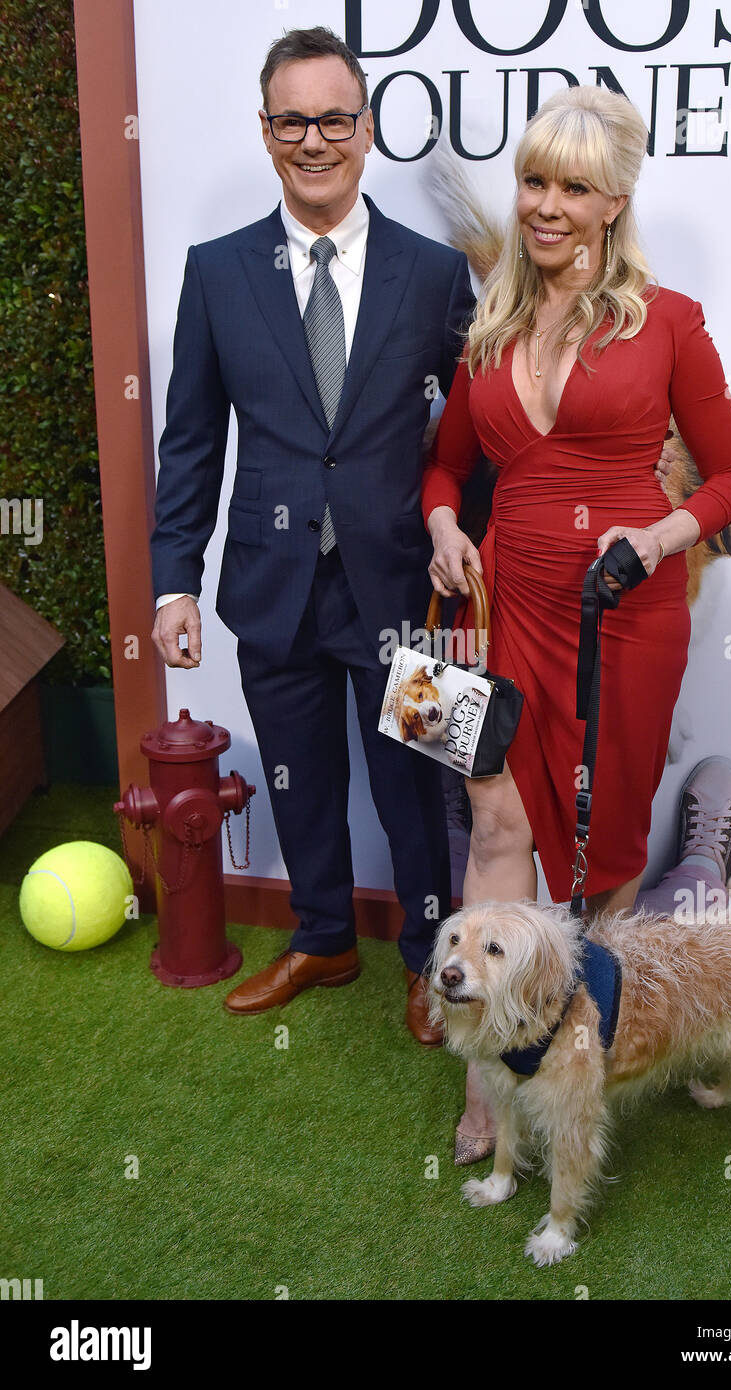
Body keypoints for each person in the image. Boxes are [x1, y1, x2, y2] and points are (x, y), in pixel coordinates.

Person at [420, 86, 731, 1158]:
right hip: (495, 603)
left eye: (573, 185)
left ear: (614, 199)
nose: (546, 205)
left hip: (622, 612)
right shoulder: (490, 323)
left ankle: (580, 1058)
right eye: (533, 181)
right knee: (496, 827)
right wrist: (439, 521)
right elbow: (445, 463)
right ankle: (484, 1080)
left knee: (601, 846)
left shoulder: (669, 323)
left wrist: (657, 538)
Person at [150, 26, 474, 1042]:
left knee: (415, 789)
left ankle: (429, 956)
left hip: (405, 589)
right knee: (299, 776)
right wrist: (174, 584)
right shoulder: (216, 271)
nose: (314, 139)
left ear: (365, 127)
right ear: (265, 131)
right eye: (292, 120)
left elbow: (467, 433)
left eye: (334, 117)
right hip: (270, 582)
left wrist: (468, 539)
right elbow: (192, 438)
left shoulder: (431, 273)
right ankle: (323, 934)